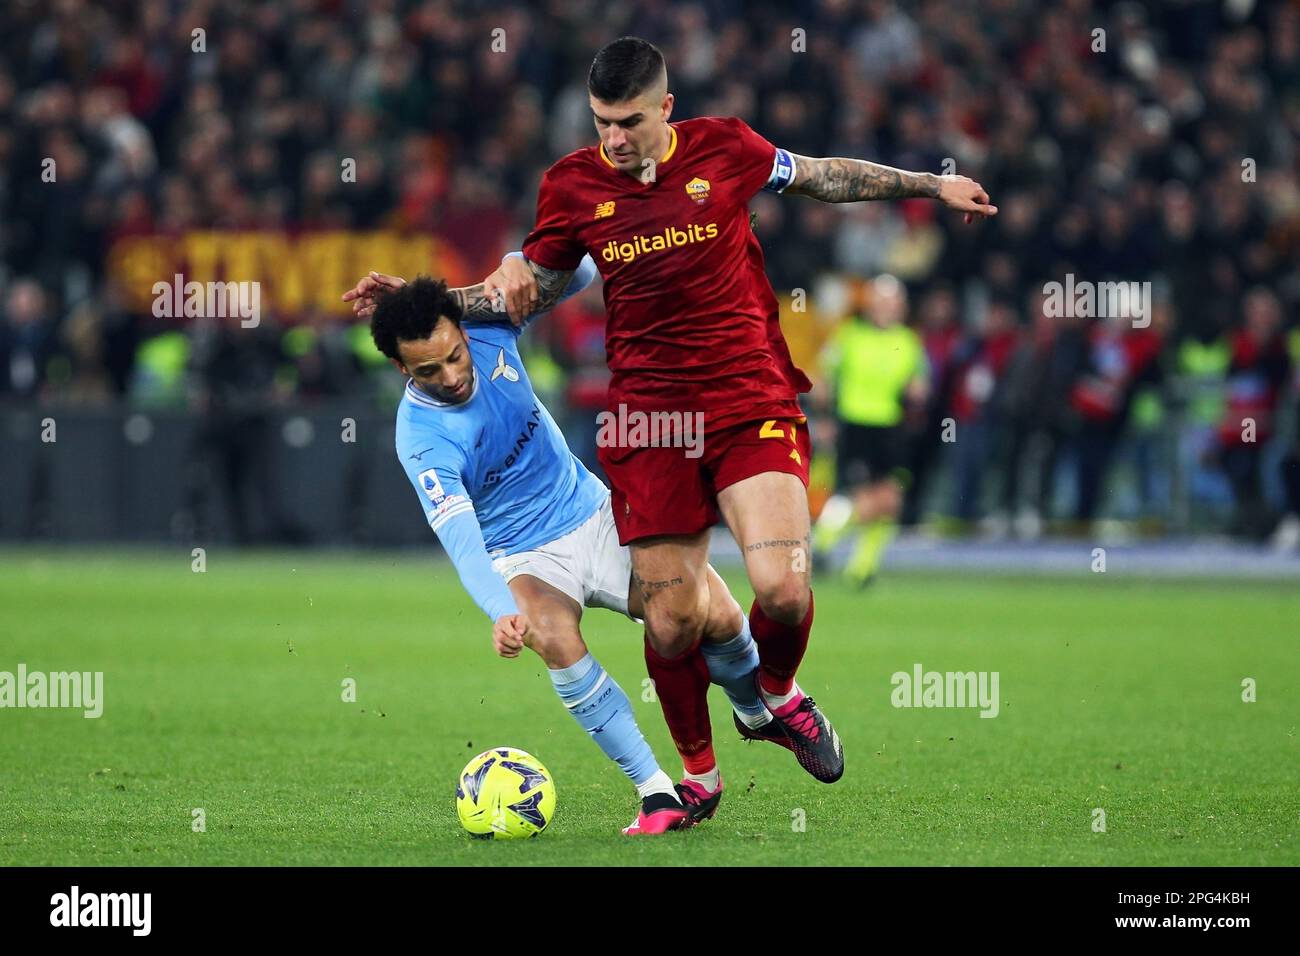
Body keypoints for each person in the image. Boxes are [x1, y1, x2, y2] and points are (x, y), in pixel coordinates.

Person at [346, 256, 776, 833]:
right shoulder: (421, 440)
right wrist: (501, 611)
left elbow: (581, 275)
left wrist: (509, 269)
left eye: (453, 355)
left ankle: (755, 710)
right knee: (550, 634)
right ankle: (656, 792)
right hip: (524, 555)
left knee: (714, 614)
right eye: (428, 371)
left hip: (592, 512)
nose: (450, 375)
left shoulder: (488, 325)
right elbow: (462, 539)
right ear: (403, 369)